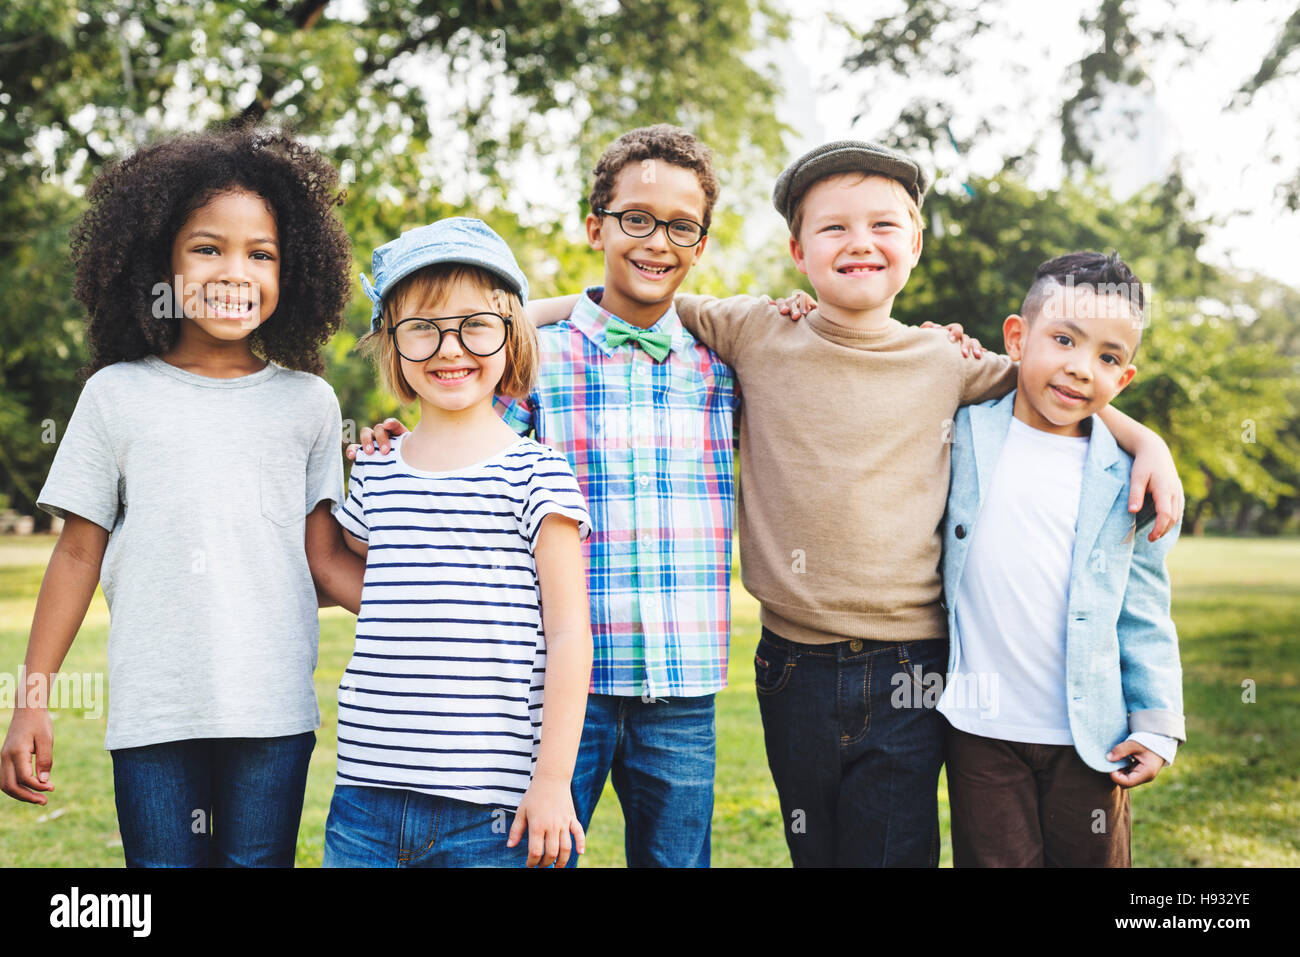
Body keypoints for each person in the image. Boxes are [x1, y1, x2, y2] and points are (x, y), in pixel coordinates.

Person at [631, 140, 1182, 866]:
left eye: (883, 225)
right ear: (797, 248)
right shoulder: (757, 329)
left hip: (911, 664)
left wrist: (1147, 441)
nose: (860, 242)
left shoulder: (947, 362)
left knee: (895, 850)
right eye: (834, 228)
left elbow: (1060, 384)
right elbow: (630, 300)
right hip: (792, 664)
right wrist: (509, 311)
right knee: (814, 848)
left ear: (915, 243)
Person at [356, 126, 740, 868]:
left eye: (680, 226)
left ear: (700, 242)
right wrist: (396, 447)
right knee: (533, 853)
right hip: (561, 687)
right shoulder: (532, 361)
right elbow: (461, 455)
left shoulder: (724, 362)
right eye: (635, 218)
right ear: (595, 226)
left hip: (684, 683)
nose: (656, 240)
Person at [0, 127, 359, 867]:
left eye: (261, 253)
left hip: (273, 715)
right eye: (208, 248)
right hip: (153, 716)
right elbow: (74, 553)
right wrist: (31, 697)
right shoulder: (116, 395)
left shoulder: (310, 404)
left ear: (295, 270)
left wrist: (447, 594)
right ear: (157, 257)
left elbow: (324, 562)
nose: (236, 271)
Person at [321, 217, 592, 868]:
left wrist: (554, 780)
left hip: (494, 811)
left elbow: (570, 636)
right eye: (422, 328)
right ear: (393, 344)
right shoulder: (379, 468)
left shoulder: (538, 473)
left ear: (511, 337)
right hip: (367, 797)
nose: (449, 348)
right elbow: (355, 575)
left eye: (474, 325)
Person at [939, 251, 1184, 867]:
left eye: (1107, 357)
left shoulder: (1129, 476)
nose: (1080, 368)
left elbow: (1144, 610)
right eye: (1064, 340)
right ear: (1017, 339)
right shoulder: (961, 432)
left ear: (1123, 380)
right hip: (980, 727)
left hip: (1093, 736)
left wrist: (1156, 723)